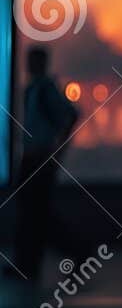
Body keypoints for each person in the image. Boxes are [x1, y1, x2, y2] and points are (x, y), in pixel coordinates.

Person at [6, 47, 80, 282]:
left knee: (34, 213)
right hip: (34, 157)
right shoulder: (35, 89)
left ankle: (31, 263)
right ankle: (29, 264)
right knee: (35, 212)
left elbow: (70, 114)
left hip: (38, 157)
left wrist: (58, 150)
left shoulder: (44, 88)